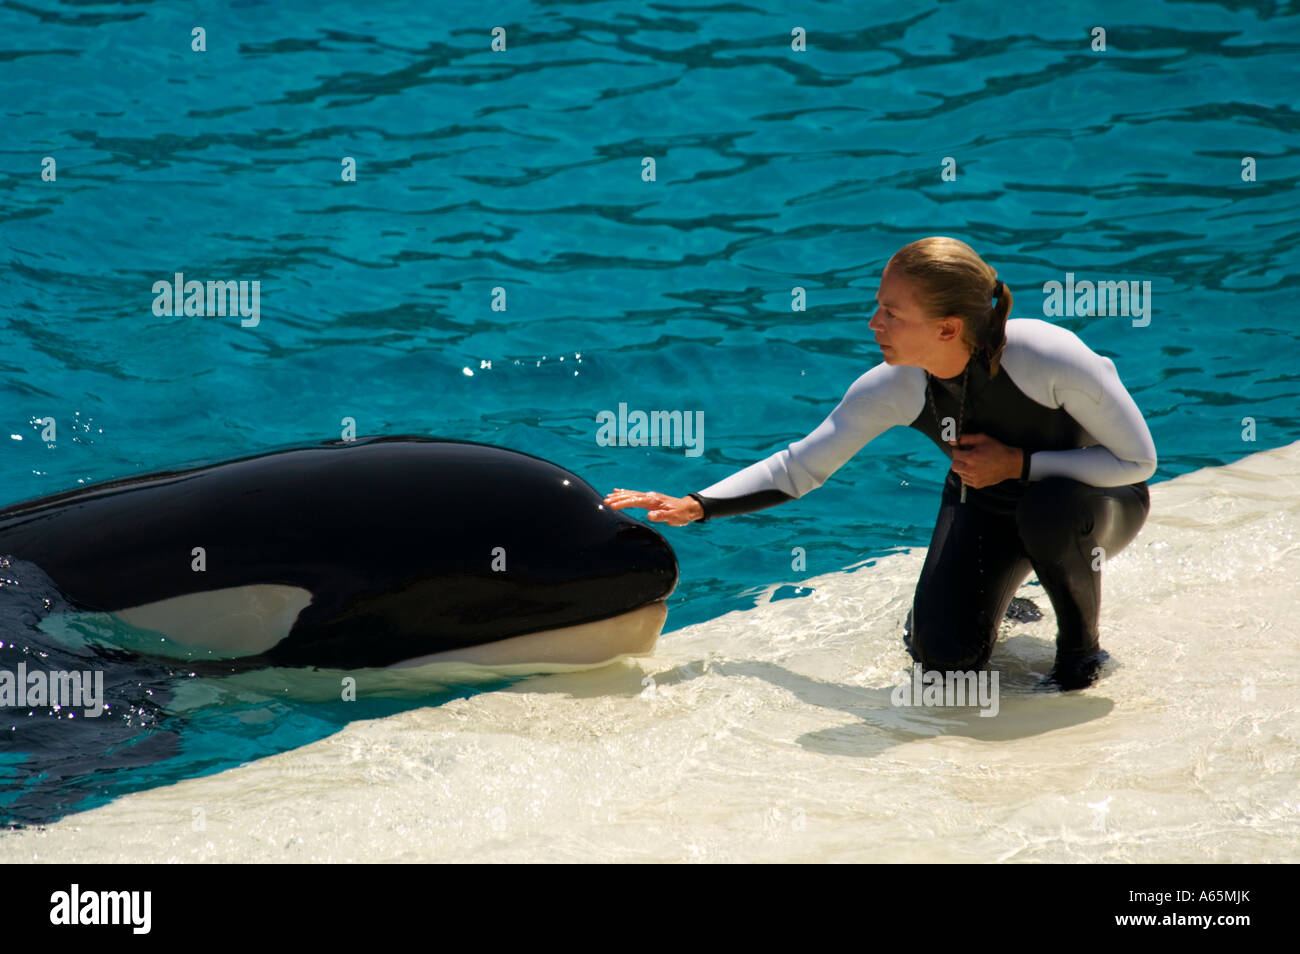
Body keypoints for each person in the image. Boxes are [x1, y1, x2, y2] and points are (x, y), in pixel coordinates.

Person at [603, 236, 1156, 691]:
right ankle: (1004, 598)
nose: (874, 323)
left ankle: (1081, 652)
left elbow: (1137, 461)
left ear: (947, 328)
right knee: (943, 665)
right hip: (986, 503)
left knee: (1048, 510)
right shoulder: (896, 385)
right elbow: (802, 466)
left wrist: (1020, 464)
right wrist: (695, 505)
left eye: (891, 313)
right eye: (878, 306)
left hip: (1095, 502)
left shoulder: (1047, 356)